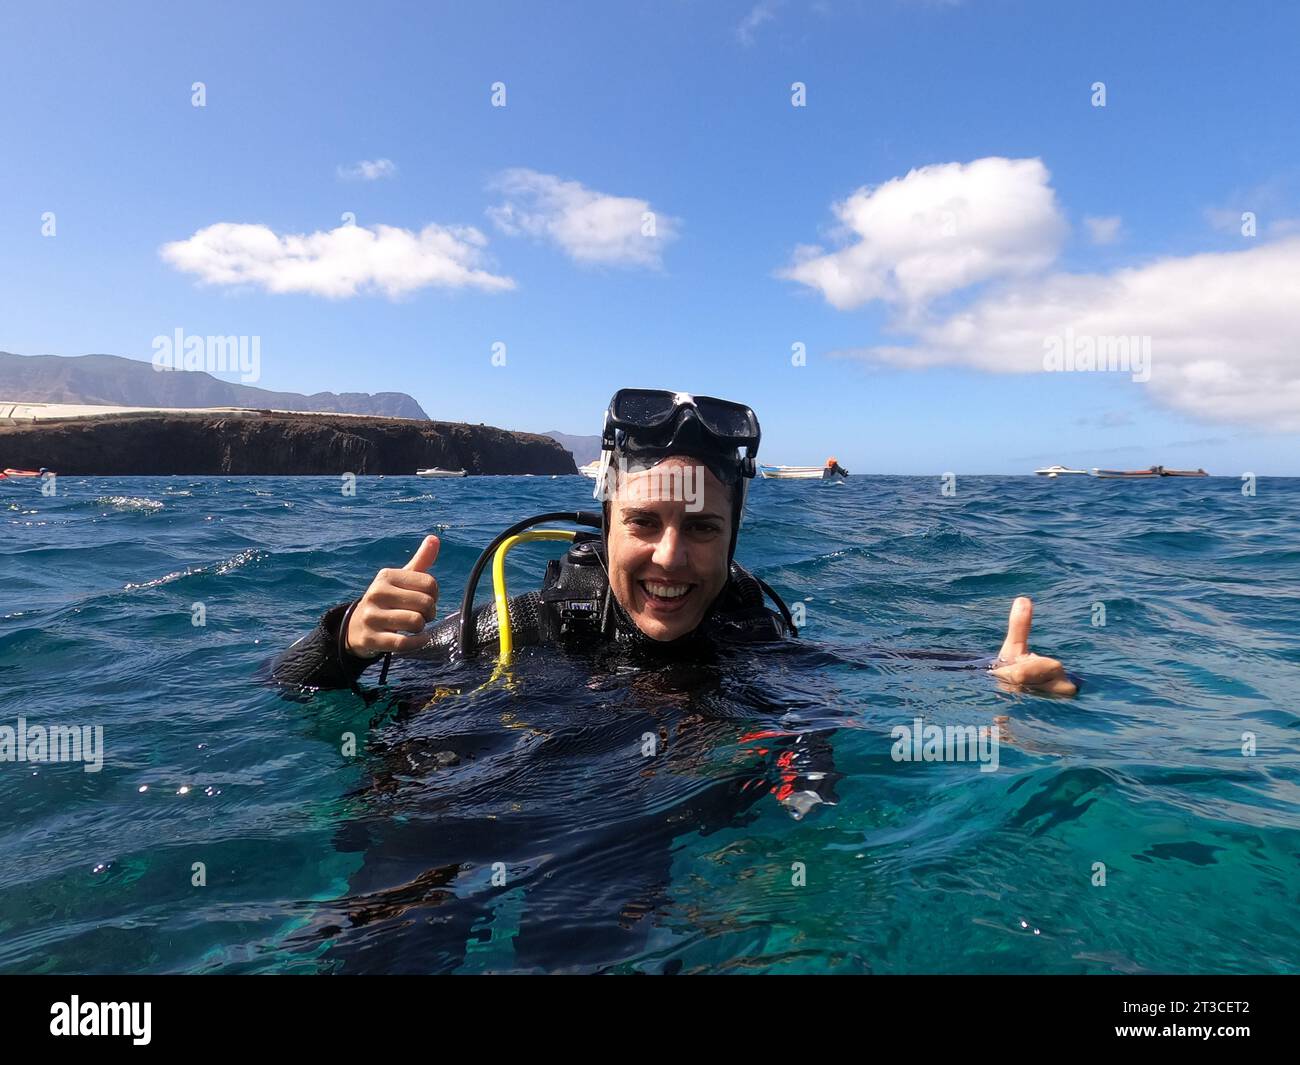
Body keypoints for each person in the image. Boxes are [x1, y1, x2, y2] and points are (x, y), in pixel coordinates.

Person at [272, 388, 1077, 697]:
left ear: (734, 537)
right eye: (644, 524)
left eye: (700, 529)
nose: (668, 558)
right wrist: (342, 640)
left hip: (618, 847)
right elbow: (281, 689)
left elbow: (866, 663)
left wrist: (987, 670)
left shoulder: (746, 634)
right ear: (605, 521)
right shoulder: (532, 624)